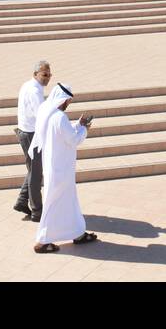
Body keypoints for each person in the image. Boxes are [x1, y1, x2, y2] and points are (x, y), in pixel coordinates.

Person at [30, 83, 97, 253]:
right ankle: (42, 241)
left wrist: (77, 124)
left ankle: (78, 233)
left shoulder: (49, 112)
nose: (68, 103)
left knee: (69, 202)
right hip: (60, 169)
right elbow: (74, 140)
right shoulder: (59, 117)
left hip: (57, 167)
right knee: (54, 204)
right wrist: (84, 129)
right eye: (68, 100)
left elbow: (62, 133)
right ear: (62, 99)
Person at [14, 61, 52, 221]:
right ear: (35, 74)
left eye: (49, 75)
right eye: (44, 75)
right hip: (31, 135)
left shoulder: (28, 85)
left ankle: (22, 201)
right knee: (36, 174)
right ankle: (37, 212)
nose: (47, 78)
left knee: (33, 170)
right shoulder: (35, 91)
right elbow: (40, 115)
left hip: (25, 131)